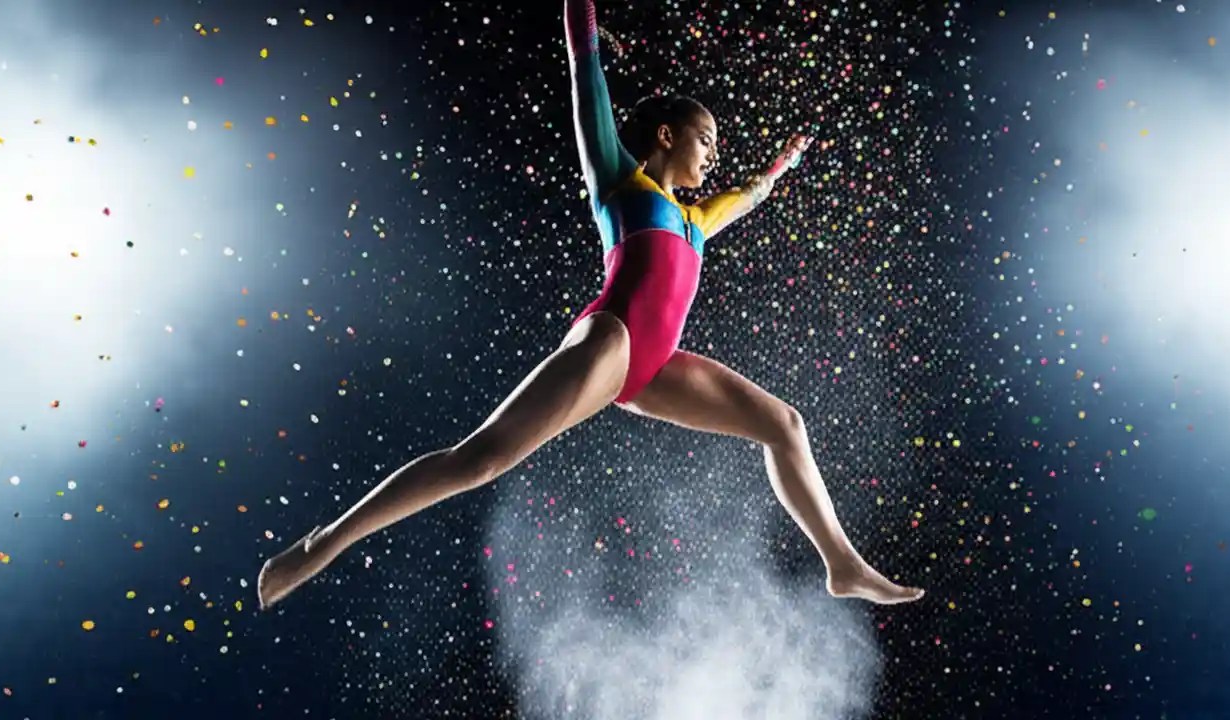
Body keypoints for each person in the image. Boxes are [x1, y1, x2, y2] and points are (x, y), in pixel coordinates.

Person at [255, 0, 925, 610]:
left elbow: (744, 198)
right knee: (481, 459)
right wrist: (585, 24)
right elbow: (585, 75)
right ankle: (325, 543)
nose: (713, 157)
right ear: (665, 135)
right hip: (611, 341)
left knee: (784, 425)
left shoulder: (694, 222)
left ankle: (842, 564)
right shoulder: (619, 181)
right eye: (705, 140)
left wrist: (778, 170)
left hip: (654, 368)